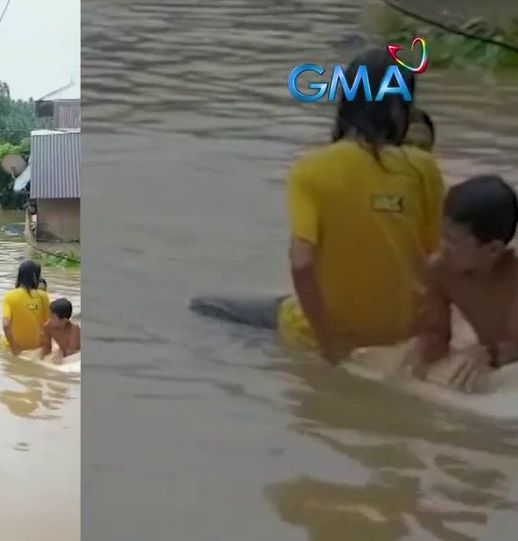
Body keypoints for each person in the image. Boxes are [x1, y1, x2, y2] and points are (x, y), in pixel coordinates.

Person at [188, 47, 444, 364]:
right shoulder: (424, 167)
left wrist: (328, 344)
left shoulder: (310, 170)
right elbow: (437, 260)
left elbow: (302, 265)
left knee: (205, 306)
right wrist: (433, 331)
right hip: (400, 330)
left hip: (323, 332)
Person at [405, 175, 518, 391]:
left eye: (453, 241)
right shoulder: (440, 270)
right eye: (443, 235)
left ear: (493, 249)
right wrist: (427, 346)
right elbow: (437, 331)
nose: (442, 247)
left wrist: (487, 353)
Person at [0, 260, 51, 355]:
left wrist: (14, 347)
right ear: (35, 277)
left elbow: (6, 325)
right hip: (36, 345)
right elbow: (49, 324)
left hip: (12, 345)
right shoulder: (44, 296)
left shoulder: (9, 296)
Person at [42, 297, 81, 363]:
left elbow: (72, 350)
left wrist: (61, 352)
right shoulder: (47, 327)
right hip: (61, 352)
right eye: (49, 316)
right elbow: (45, 348)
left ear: (64, 320)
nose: (49, 319)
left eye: (53, 318)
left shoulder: (74, 328)